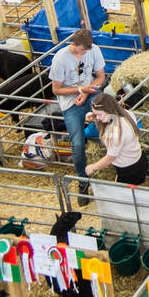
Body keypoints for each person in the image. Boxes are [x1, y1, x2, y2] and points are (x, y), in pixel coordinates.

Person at [49, 29, 106, 202]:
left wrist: (87, 93)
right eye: (83, 50)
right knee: (77, 143)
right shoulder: (60, 59)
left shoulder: (93, 50)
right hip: (70, 103)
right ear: (74, 45)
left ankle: (114, 170)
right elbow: (56, 89)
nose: (85, 52)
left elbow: (100, 77)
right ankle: (83, 181)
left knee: (111, 124)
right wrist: (79, 90)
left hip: (91, 95)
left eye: (87, 50)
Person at [85, 93, 147, 186]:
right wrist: (96, 118)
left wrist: (92, 168)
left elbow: (110, 157)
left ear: (109, 111)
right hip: (139, 159)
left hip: (128, 170)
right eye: (95, 114)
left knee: (124, 197)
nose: (97, 117)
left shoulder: (115, 133)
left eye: (99, 114)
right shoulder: (127, 113)